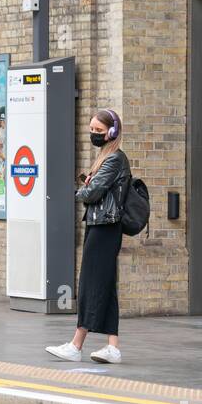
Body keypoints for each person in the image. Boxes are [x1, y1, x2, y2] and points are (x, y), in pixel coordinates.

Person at [47, 108, 130, 364]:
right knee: (105, 285)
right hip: (100, 225)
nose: (94, 134)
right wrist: (86, 188)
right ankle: (112, 348)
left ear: (112, 132)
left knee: (90, 285)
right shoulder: (105, 157)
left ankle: (76, 345)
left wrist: (80, 191)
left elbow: (91, 193)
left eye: (99, 131)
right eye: (91, 130)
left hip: (105, 228)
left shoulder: (115, 159)